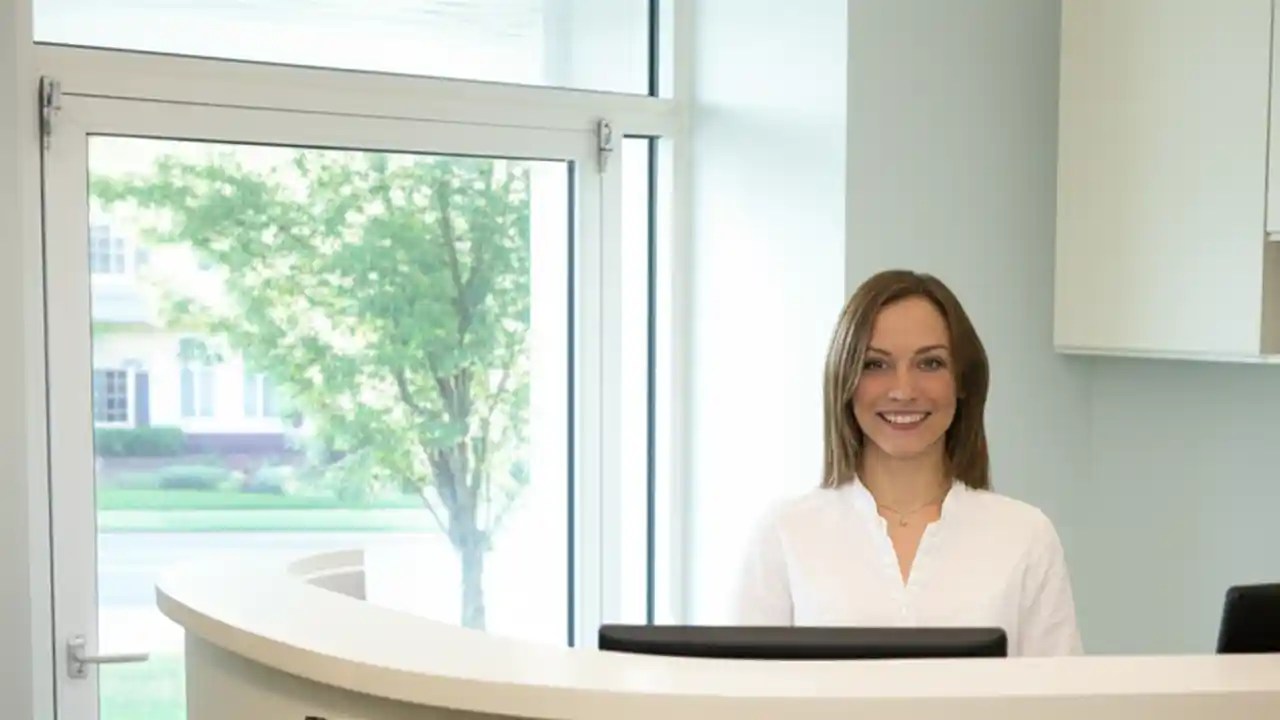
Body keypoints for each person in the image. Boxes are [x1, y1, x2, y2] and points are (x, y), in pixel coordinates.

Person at [732, 269, 1083, 656]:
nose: (903, 390)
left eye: (930, 364)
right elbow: (743, 702)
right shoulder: (785, 534)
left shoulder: (1026, 536)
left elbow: (1060, 704)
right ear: (844, 380)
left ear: (963, 381)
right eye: (875, 365)